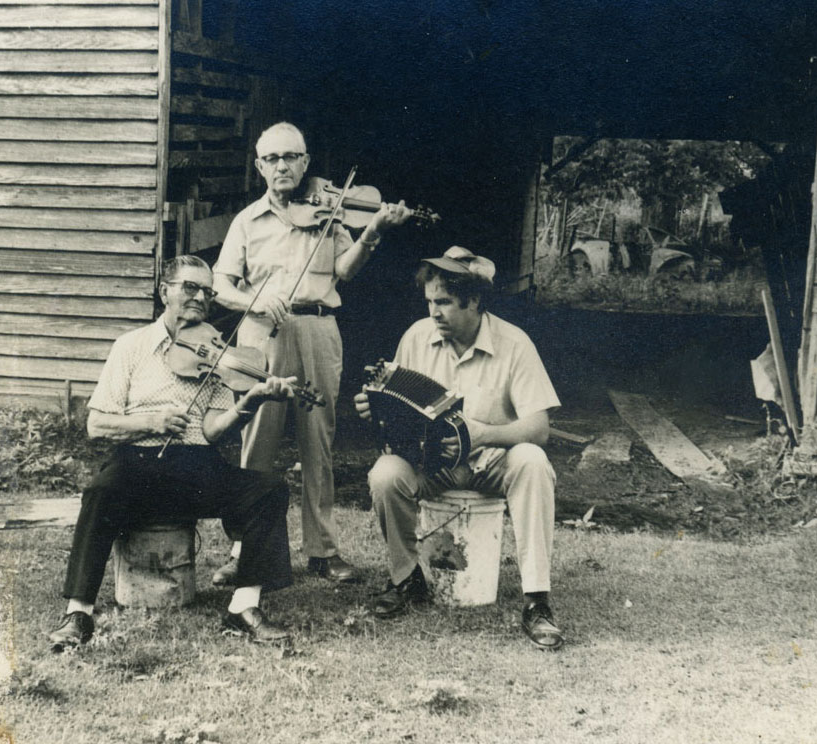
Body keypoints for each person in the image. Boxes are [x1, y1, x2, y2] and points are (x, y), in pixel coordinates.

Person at [48, 255, 298, 650]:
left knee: (268, 488)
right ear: (165, 291)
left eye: (207, 291)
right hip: (137, 461)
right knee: (100, 492)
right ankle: (79, 613)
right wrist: (152, 422)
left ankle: (244, 607)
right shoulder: (130, 347)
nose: (200, 297)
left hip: (197, 466)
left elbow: (213, 430)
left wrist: (250, 400)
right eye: (190, 287)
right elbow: (97, 424)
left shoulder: (216, 350)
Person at [211, 122, 411, 583]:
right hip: (262, 334)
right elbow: (221, 285)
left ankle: (322, 551)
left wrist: (373, 232)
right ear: (260, 166)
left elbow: (346, 270)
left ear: (305, 162)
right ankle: (245, 549)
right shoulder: (246, 221)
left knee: (318, 440)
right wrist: (253, 300)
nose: (283, 165)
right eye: (273, 158)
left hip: (320, 328)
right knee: (255, 441)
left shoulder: (330, 213)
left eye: (291, 157)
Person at [354, 246, 565, 651]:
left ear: (474, 300)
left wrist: (482, 433)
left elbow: (539, 428)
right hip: (433, 465)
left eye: (445, 302)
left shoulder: (514, 343)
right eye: (430, 301)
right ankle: (406, 578)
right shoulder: (416, 337)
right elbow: (398, 411)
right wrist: (374, 410)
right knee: (385, 474)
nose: (434, 312)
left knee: (533, 461)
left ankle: (537, 601)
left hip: (492, 462)